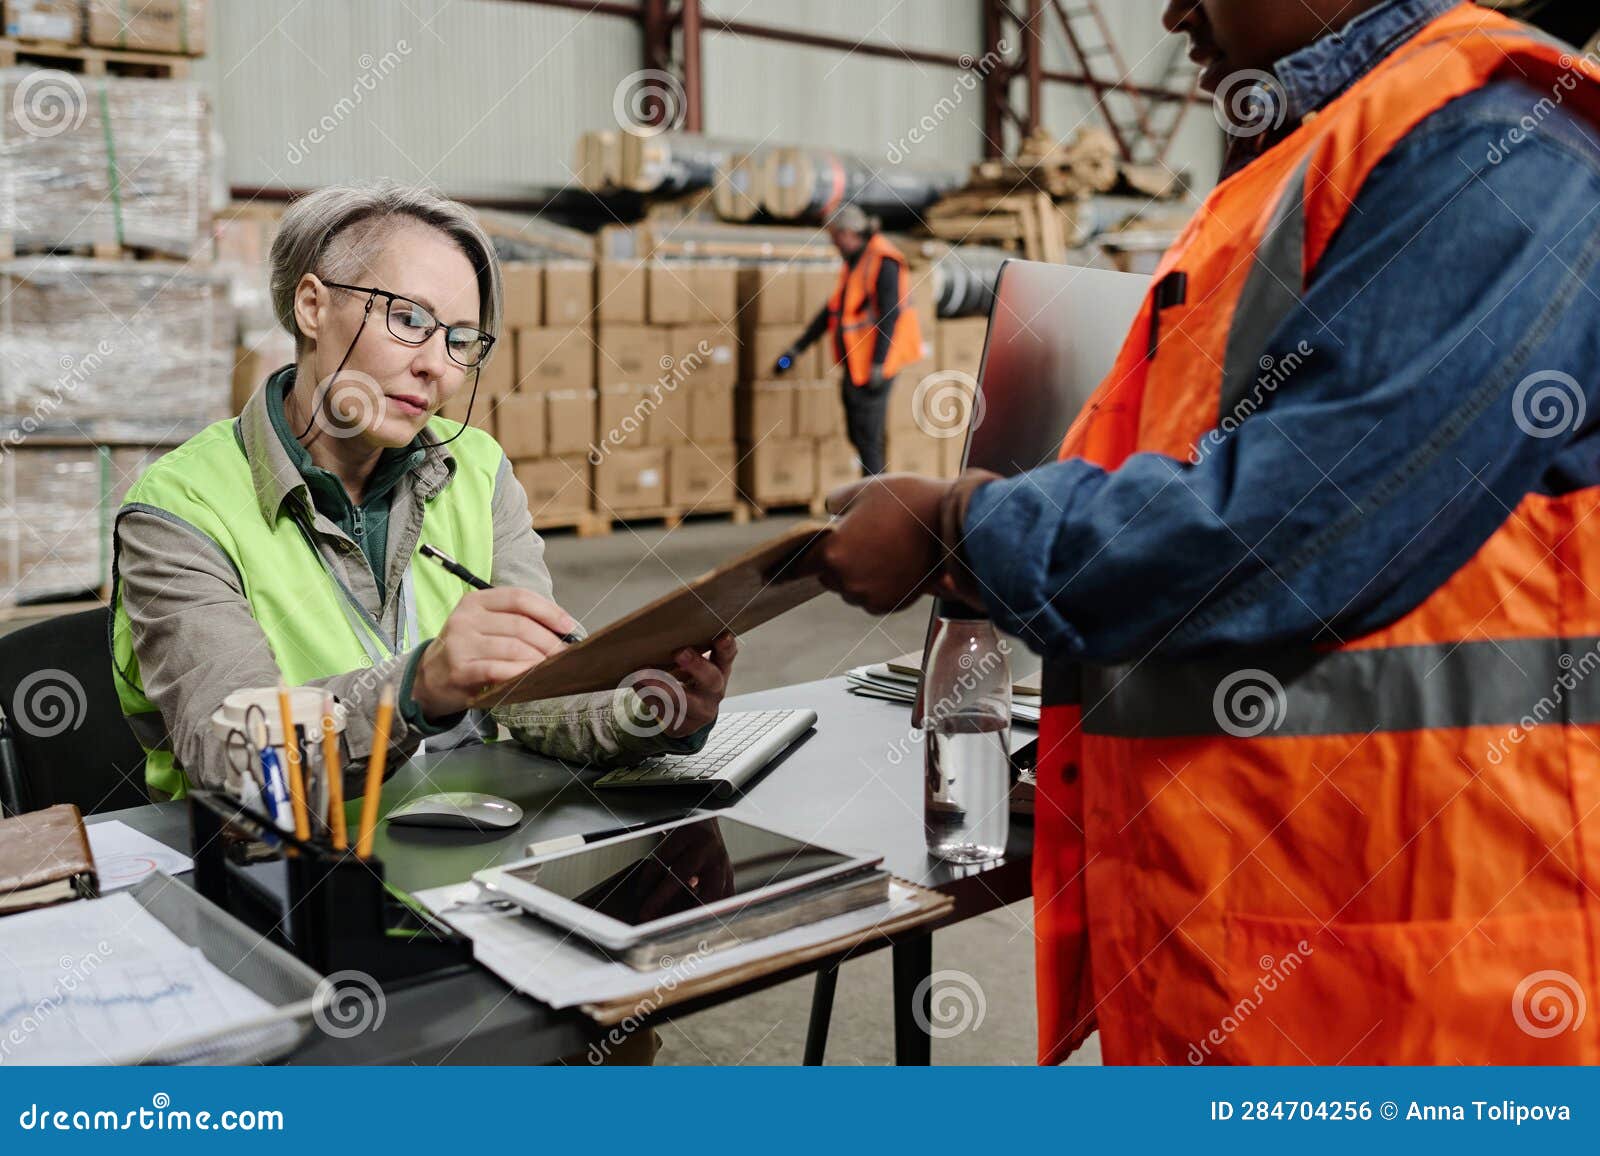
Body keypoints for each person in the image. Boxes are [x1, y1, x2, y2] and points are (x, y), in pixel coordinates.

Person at [814, 0, 1600, 1065]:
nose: (1173, 7)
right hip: (1257, 938)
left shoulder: (1491, 137)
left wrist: (959, 529)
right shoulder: (1308, 163)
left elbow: (1296, 525)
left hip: (1431, 979)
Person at [112, 182, 736, 801]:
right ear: (312, 307)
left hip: (456, 851)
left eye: (460, 340)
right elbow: (231, 757)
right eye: (409, 319)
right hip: (272, 872)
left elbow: (530, 699)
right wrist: (417, 687)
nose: (437, 365)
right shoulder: (180, 509)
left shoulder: (477, 469)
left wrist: (650, 711)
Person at [773, 204, 923, 475]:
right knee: (858, 435)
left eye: (835, 238)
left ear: (850, 233)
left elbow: (890, 314)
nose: (834, 245)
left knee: (868, 438)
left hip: (876, 365)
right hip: (856, 363)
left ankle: (874, 503)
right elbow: (833, 312)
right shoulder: (856, 262)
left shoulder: (883, 260)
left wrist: (879, 362)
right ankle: (872, 496)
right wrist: (796, 350)